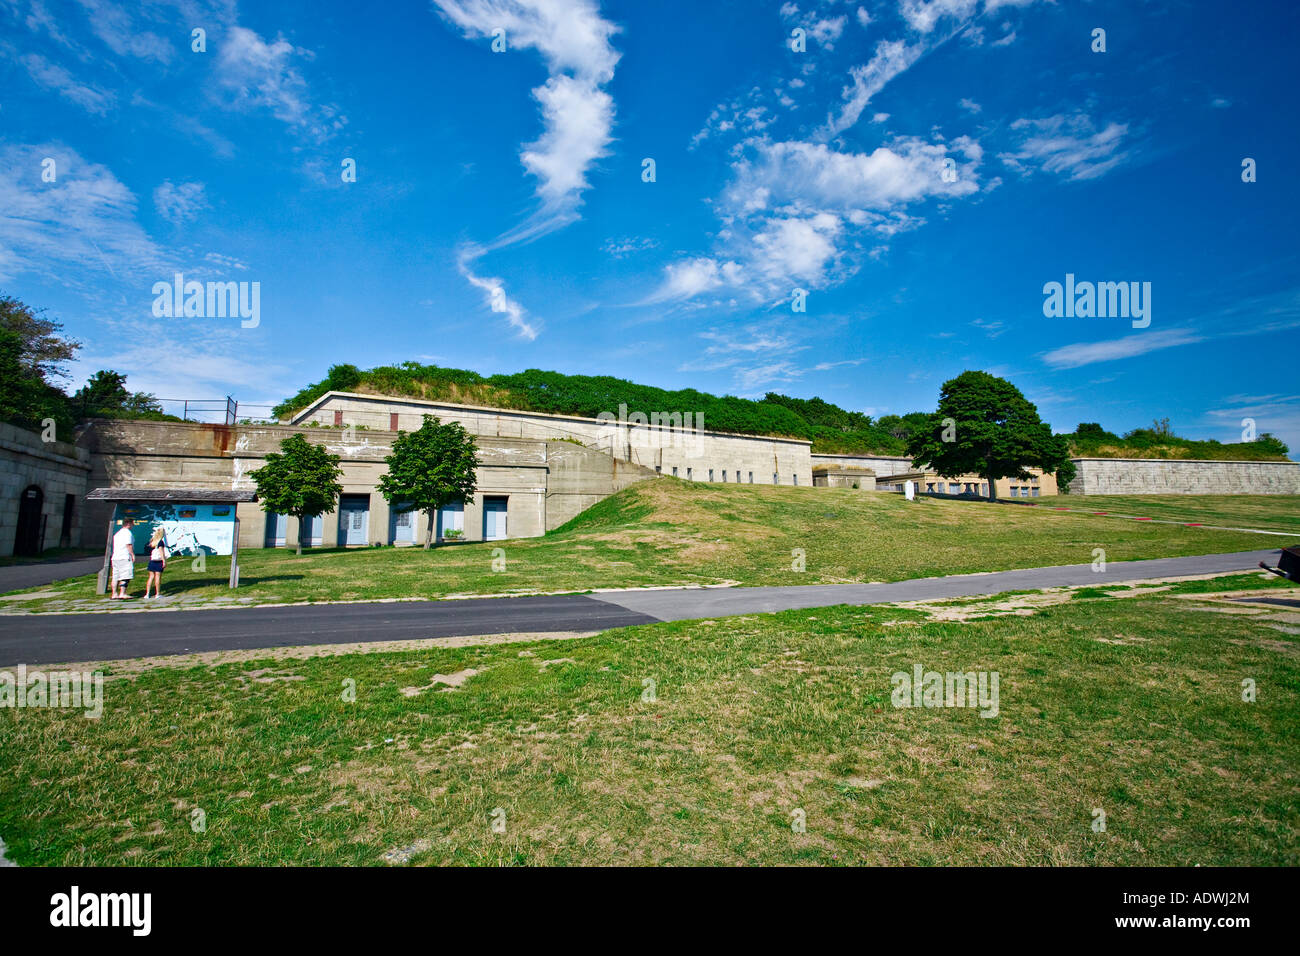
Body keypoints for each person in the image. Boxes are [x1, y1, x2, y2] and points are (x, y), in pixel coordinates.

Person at [110, 518, 136, 600]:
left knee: (115, 576)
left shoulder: (117, 534)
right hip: (124, 556)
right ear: (128, 524)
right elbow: (128, 545)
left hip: (115, 557)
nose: (133, 525)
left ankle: (114, 594)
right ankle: (123, 593)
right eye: (132, 523)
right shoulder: (127, 533)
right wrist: (132, 554)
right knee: (125, 575)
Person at [144, 526, 167, 599]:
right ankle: (157, 594)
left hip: (152, 561)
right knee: (158, 577)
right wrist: (164, 561)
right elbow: (161, 552)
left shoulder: (152, 542)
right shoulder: (160, 542)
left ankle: (147, 594)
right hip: (158, 561)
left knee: (151, 577)